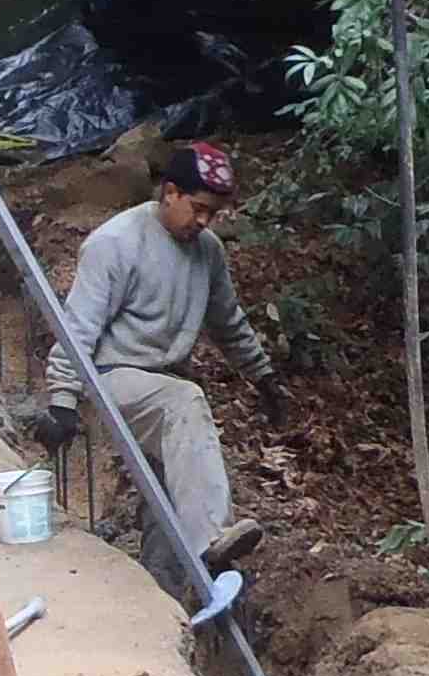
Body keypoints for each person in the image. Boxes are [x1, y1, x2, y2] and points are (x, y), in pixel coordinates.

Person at [38, 136, 289, 575]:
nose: (204, 221)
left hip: (162, 380)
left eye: (213, 212)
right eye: (198, 208)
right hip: (111, 377)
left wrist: (263, 376)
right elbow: (77, 326)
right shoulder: (115, 243)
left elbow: (227, 321)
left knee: (169, 496)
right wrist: (62, 397)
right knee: (185, 402)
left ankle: (166, 597)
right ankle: (212, 540)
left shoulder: (208, 252)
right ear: (169, 192)